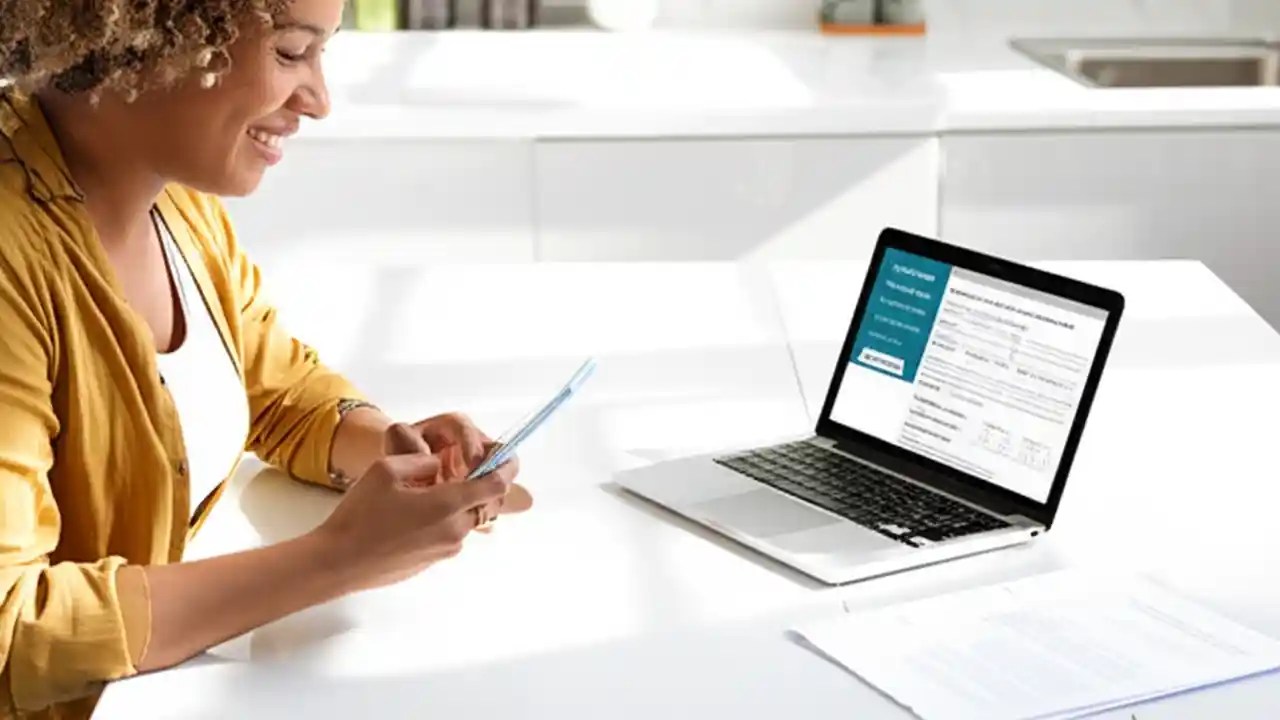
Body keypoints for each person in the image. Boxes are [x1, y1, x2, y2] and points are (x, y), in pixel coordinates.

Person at [0, 0, 533, 717]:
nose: (318, 101)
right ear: (151, 36)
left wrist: (397, 450)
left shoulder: (176, 208)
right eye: (289, 53)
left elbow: (277, 387)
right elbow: (14, 630)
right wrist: (339, 558)